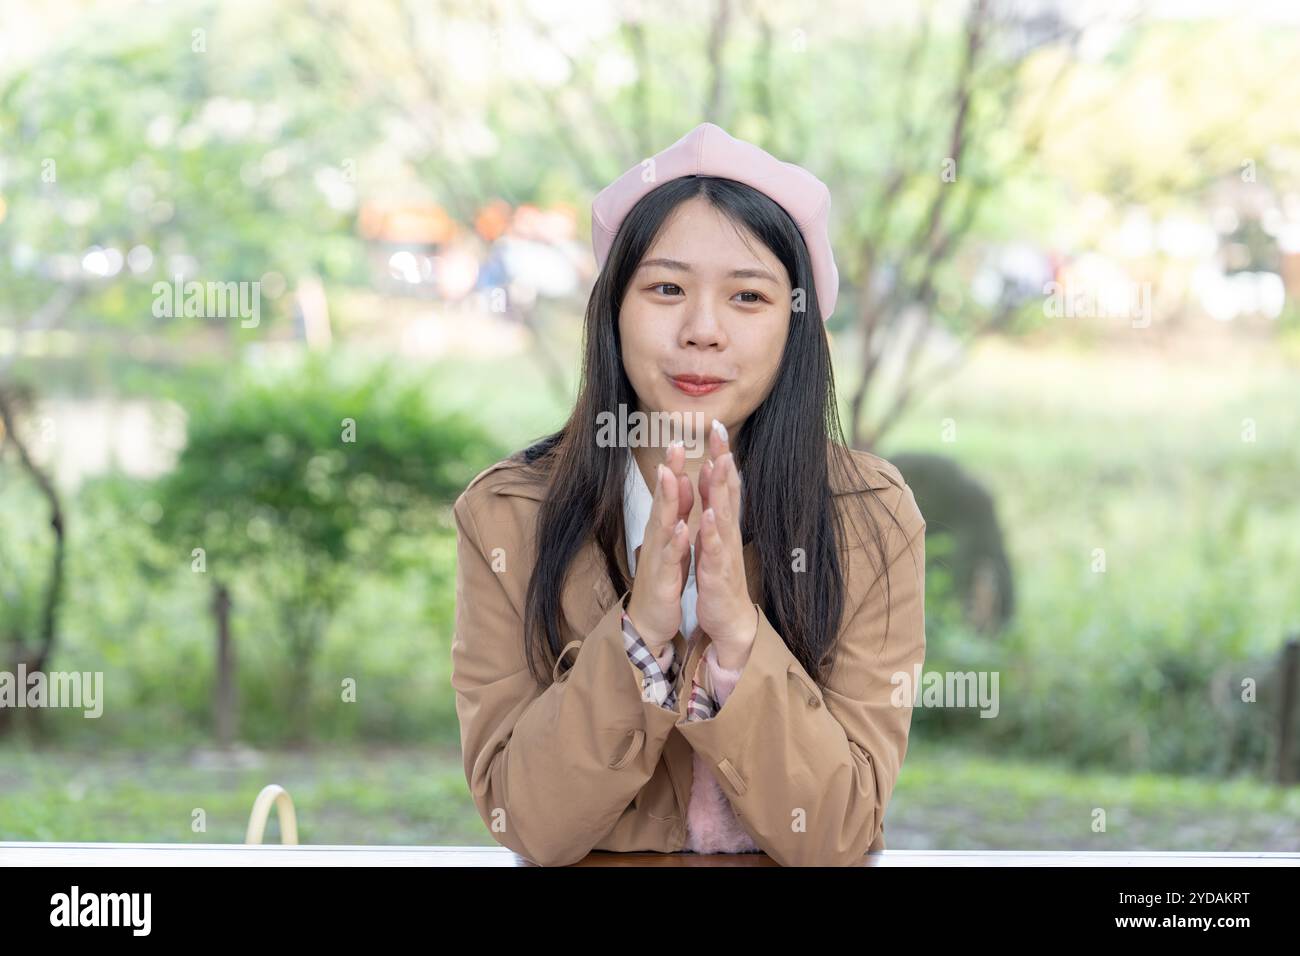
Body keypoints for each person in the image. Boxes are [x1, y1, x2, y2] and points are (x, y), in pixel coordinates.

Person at [451, 122, 926, 866]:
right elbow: (530, 823)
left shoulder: (870, 517)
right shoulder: (508, 516)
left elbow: (838, 832)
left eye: (749, 297)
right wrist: (639, 632)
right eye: (666, 288)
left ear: (796, 325)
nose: (702, 331)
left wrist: (737, 634)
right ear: (613, 309)